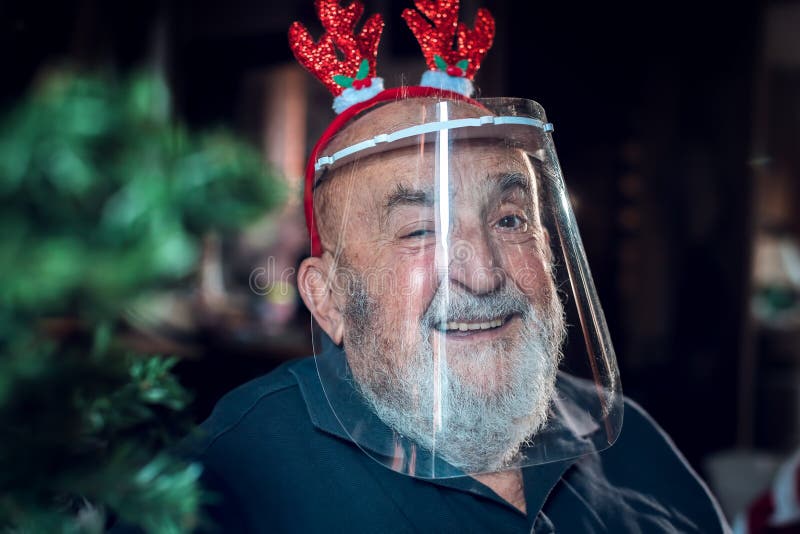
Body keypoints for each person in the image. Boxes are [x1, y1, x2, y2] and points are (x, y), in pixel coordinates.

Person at [184, 1, 731, 532]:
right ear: (328, 298)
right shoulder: (236, 474)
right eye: (420, 230)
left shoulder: (632, 437)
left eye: (511, 221)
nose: (485, 274)